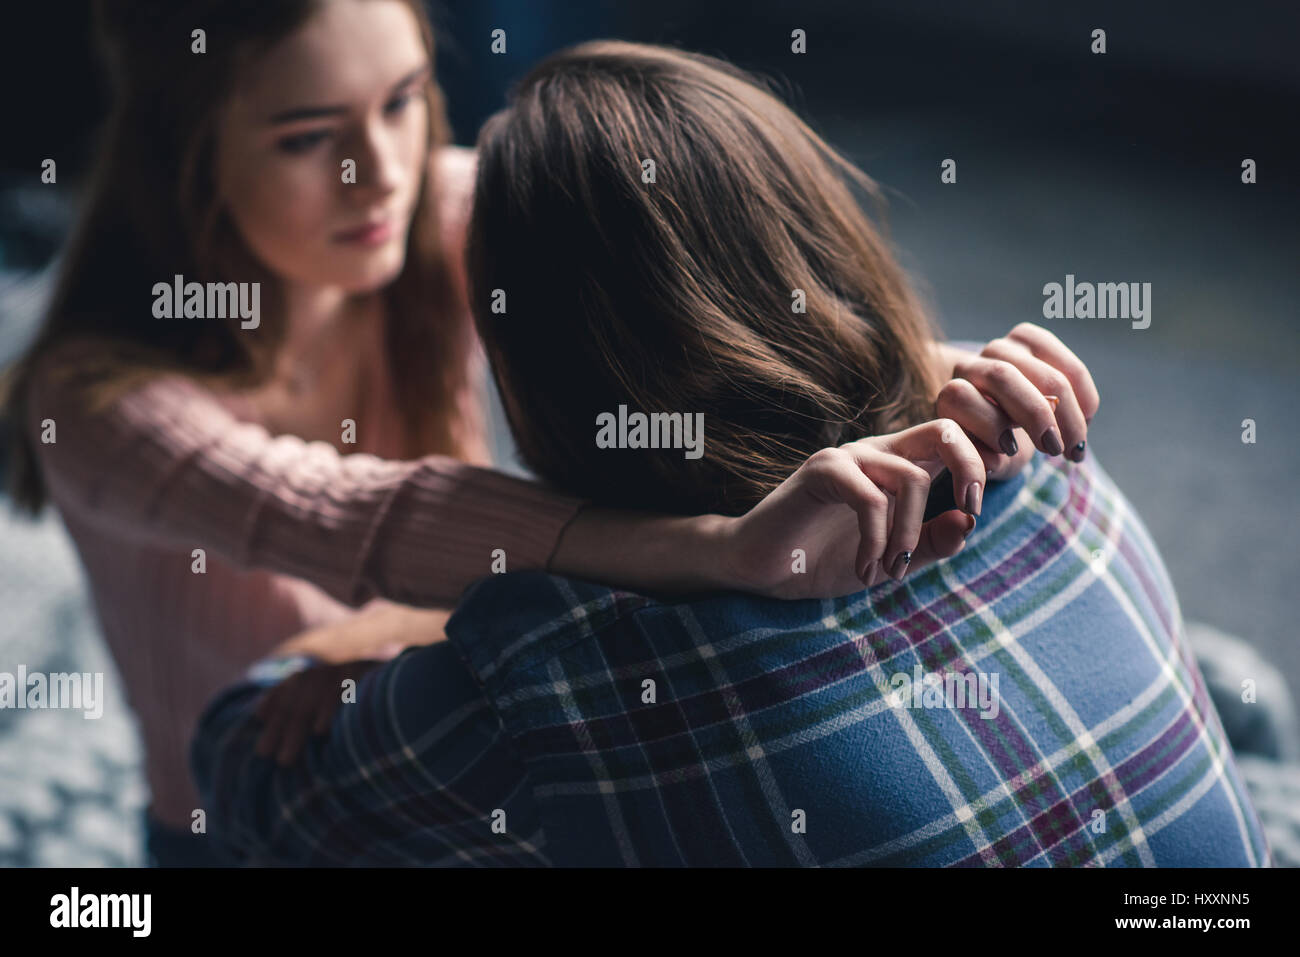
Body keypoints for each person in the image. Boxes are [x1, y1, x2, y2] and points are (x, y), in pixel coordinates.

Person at [3, 2, 1052, 866]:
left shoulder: (424, 211)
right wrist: (717, 552)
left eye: (406, 101)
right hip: (251, 821)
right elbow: (338, 514)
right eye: (307, 137)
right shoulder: (96, 403)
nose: (383, 173)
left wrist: (942, 367)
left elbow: (696, 267)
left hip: (446, 694)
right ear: (184, 151)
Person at [192, 41, 1267, 867]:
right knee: (1226, 689)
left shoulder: (540, 682)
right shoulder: (1052, 464)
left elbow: (237, 767)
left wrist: (390, 632)